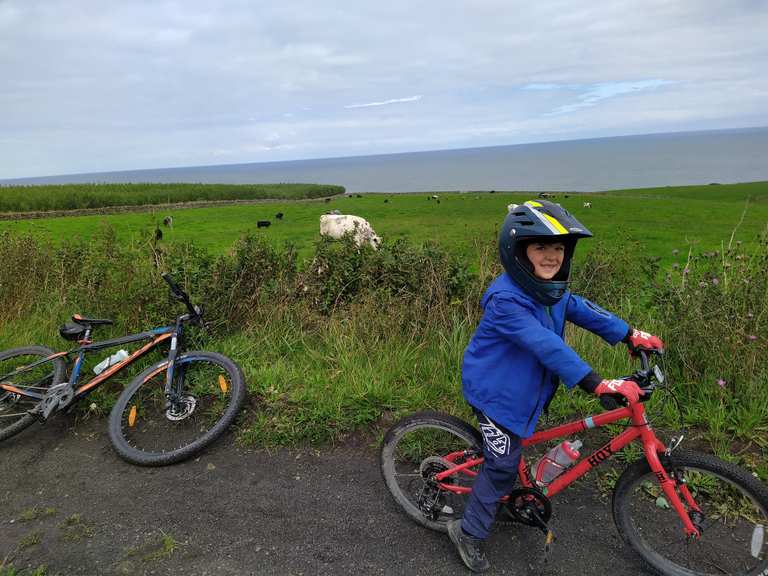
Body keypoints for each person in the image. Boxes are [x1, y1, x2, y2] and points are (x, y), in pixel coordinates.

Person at [447, 200, 664, 572]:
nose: (551, 257)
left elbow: (584, 308)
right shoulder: (506, 301)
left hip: (524, 392)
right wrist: (596, 383)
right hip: (496, 395)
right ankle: (467, 532)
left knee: (512, 453)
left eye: (558, 248)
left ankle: (509, 489)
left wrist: (630, 334)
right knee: (503, 464)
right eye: (540, 247)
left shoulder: (552, 291)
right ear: (518, 252)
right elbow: (547, 346)